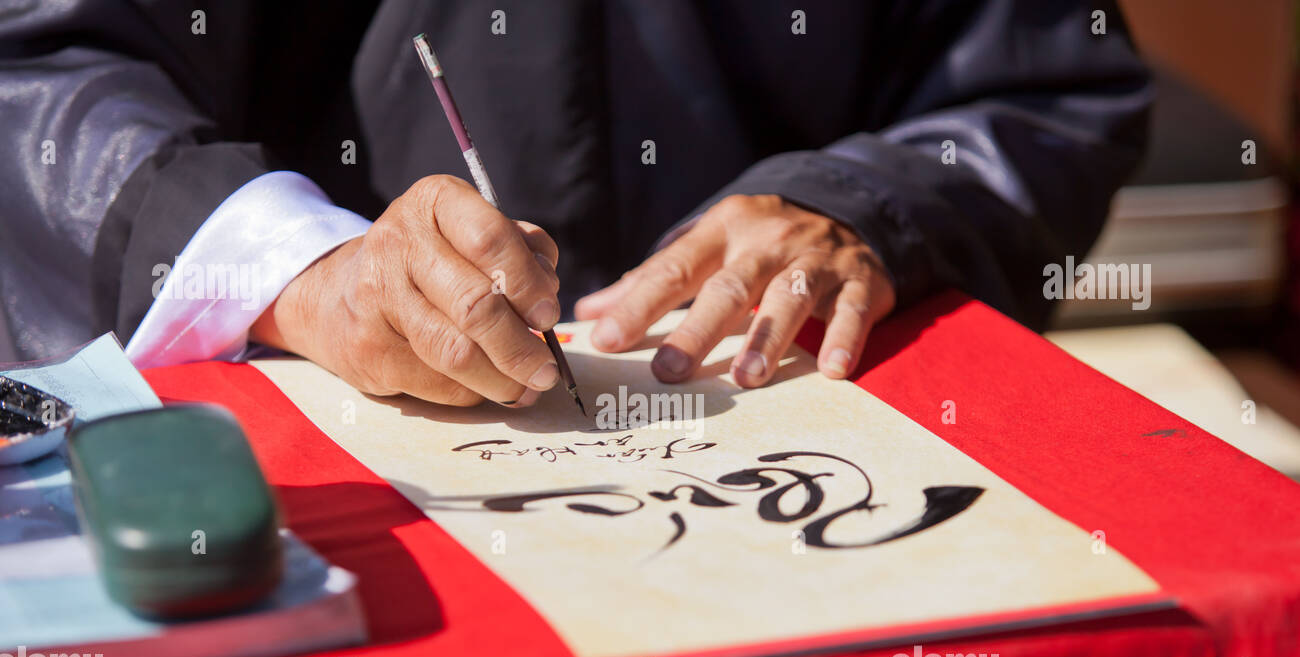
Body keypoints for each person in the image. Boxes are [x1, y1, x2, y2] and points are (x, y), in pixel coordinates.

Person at [0, 0, 1150, 407]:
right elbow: (41, 66)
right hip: (348, 494)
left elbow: (1038, 86)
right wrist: (297, 268)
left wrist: (861, 204)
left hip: (783, 455)